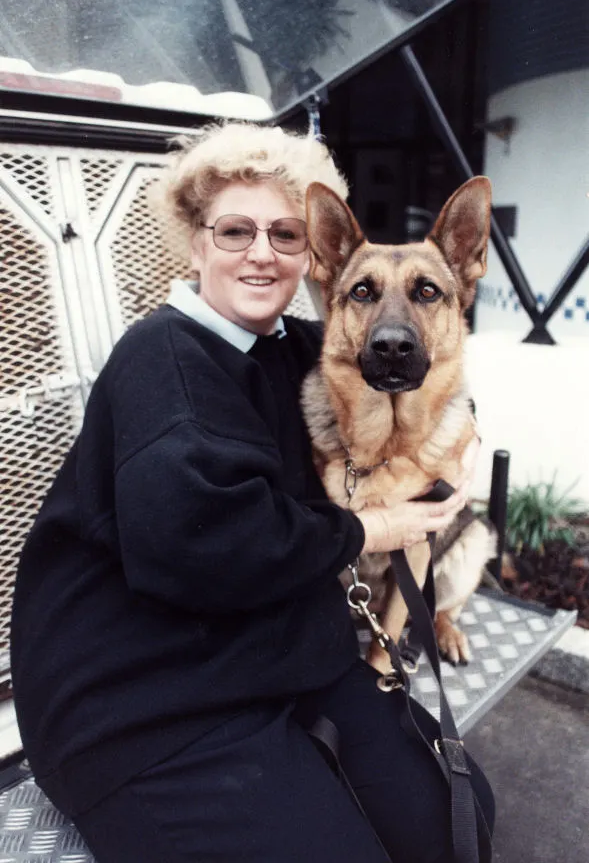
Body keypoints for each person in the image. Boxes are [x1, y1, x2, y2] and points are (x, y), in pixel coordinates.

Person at [11, 122, 493, 863]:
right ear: (196, 242)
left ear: (311, 258)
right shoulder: (161, 362)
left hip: (274, 652)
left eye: (284, 234)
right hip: (141, 698)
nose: (261, 252)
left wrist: (458, 439)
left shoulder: (294, 347)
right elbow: (203, 544)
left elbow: (412, 368)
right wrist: (374, 529)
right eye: (235, 231)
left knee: (455, 819)